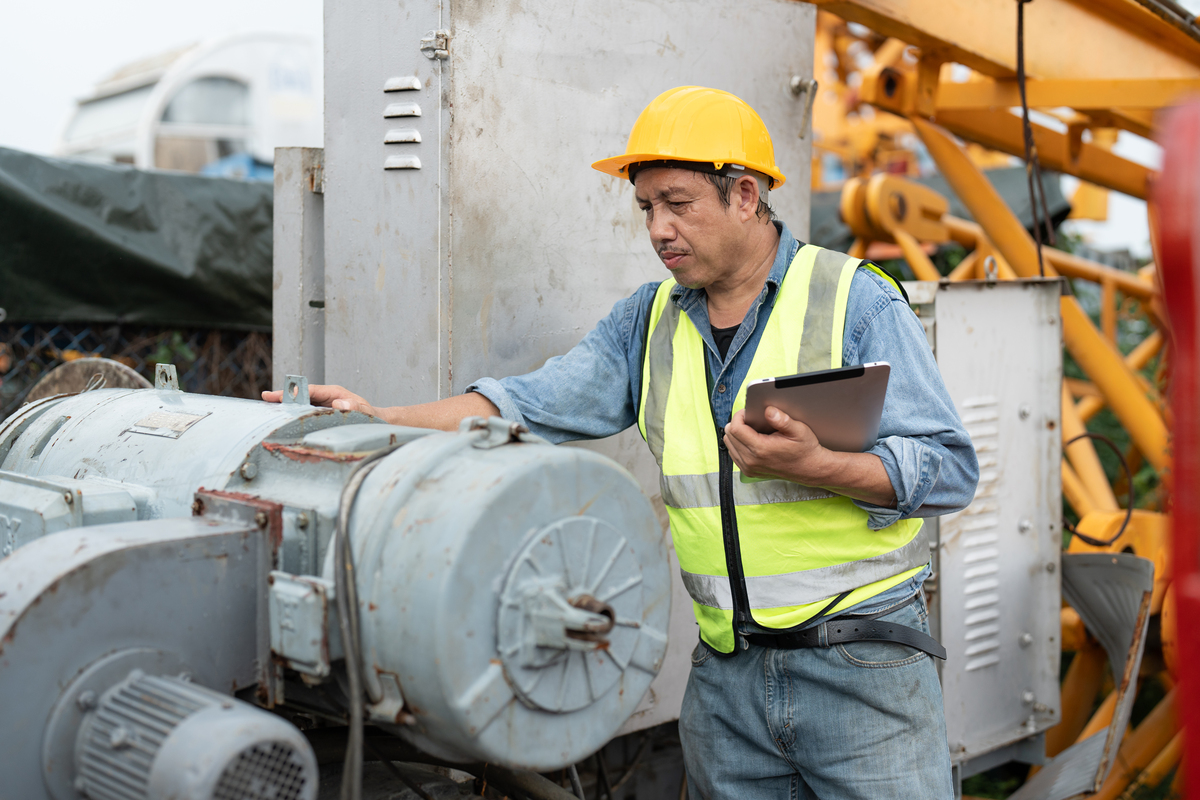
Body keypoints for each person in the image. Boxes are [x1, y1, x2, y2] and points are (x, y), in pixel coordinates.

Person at [265, 86, 978, 799]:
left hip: (861, 668)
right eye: (646, 209)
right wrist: (375, 415)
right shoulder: (650, 320)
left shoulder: (855, 300)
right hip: (726, 681)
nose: (659, 229)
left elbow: (948, 469)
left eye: (677, 203)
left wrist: (819, 465)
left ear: (746, 196)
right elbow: (525, 403)